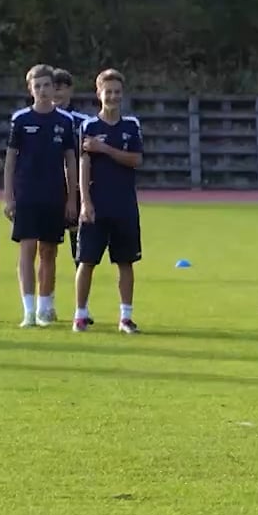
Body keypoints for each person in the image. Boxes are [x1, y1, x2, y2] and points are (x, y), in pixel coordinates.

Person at [3, 66, 78, 327]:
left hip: (54, 194)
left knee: (49, 252)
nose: (43, 91)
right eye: (38, 86)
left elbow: (71, 161)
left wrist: (72, 198)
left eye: (47, 85)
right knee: (27, 250)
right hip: (26, 194)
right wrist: (8, 196)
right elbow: (10, 161)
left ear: (53, 88)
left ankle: (45, 307)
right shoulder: (20, 120)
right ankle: (28, 310)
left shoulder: (65, 121)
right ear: (30, 89)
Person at [74, 69, 145, 333]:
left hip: (124, 205)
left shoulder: (131, 126)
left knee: (125, 262)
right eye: (108, 92)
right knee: (87, 261)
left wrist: (104, 149)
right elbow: (84, 166)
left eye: (117, 92)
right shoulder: (88, 127)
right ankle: (80, 314)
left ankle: (125, 317)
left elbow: (136, 160)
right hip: (96, 204)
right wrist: (85, 202)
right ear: (99, 94)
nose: (113, 97)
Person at [48, 68, 84, 268]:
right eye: (52, 89)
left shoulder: (82, 122)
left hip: (76, 188)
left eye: (60, 89)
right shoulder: (40, 119)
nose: (56, 94)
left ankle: (81, 284)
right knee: (47, 245)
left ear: (70, 90)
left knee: (77, 238)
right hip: (49, 188)